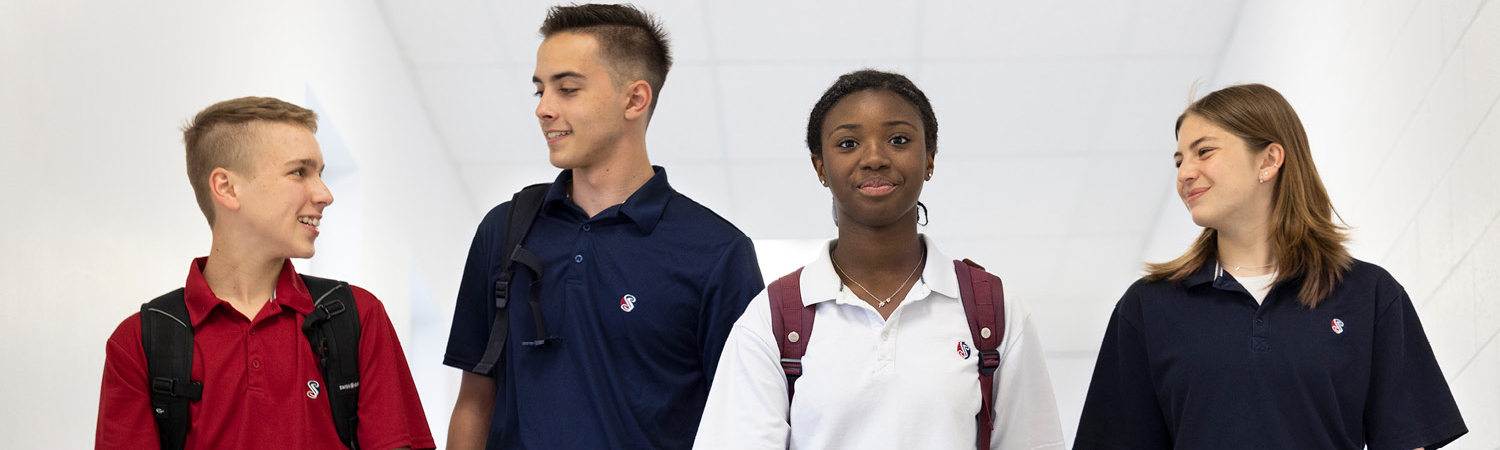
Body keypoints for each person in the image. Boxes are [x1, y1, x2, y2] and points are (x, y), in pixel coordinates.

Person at [1073, 84, 1467, 449]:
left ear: (1270, 159)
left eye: (1203, 151)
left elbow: (1409, 439)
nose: (1184, 173)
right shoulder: (1147, 308)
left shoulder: (1368, 294)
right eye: (1179, 160)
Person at [443, 4, 764, 450]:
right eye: (540, 91)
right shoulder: (504, 230)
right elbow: (474, 401)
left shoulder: (718, 253)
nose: (544, 109)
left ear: (634, 99)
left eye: (568, 89)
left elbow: (743, 421)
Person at [693, 69, 1066, 450]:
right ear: (820, 167)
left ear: (929, 159)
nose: (874, 158)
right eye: (848, 143)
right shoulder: (770, 319)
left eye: (899, 139)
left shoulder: (993, 308)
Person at [95, 96, 435, 450]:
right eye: (299, 172)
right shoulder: (139, 343)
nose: (325, 194)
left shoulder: (358, 318)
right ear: (227, 188)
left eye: (320, 173)